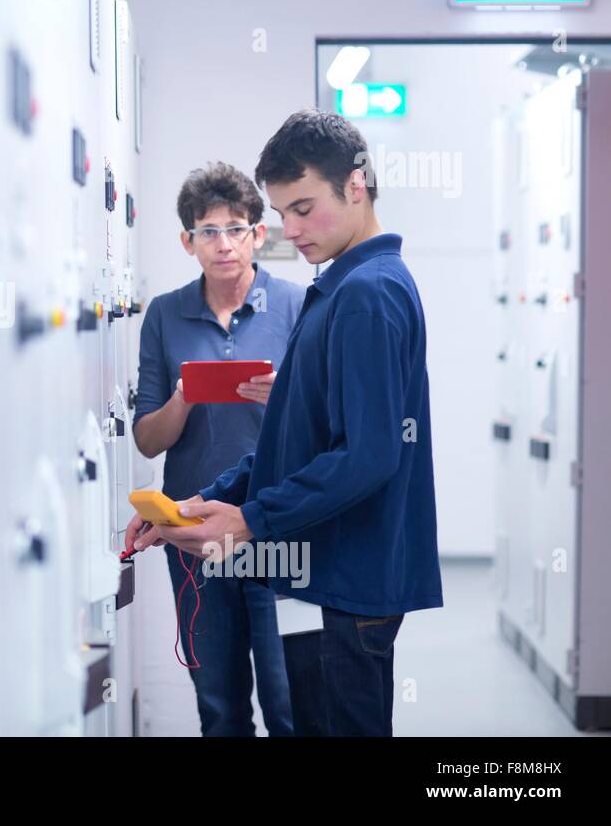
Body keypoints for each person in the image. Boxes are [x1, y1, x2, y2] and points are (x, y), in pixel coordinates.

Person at [132, 109, 444, 737]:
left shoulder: (368, 293)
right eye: (281, 213)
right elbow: (296, 445)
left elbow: (369, 455)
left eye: (302, 208)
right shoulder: (338, 288)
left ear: (356, 185)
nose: (289, 230)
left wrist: (250, 519)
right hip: (328, 569)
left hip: (350, 579)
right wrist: (203, 500)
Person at [130, 161, 305, 736]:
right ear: (188, 242)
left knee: (289, 703)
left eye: (236, 228)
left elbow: (323, 425)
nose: (224, 244)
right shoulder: (164, 315)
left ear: (260, 232)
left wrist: (287, 394)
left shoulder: (297, 306)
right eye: (208, 231)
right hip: (194, 533)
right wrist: (183, 395)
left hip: (277, 527)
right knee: (220, 706)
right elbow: (149, 440)